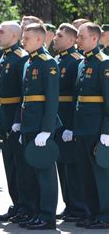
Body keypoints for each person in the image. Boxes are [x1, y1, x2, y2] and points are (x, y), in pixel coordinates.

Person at [19, 24, 60, 230]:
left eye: (26, 38)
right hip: (29, 125)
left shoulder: (48, 62)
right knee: (31, 173)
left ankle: (47, 216)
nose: (22, 41)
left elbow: (52, 100)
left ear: (39, 40)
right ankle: (35, 213)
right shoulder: (29, 62)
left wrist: (47, 129)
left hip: (40, 126)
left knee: (45, 174)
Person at [0, 21, 31, 223]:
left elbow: (23, 94)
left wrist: (18, 120)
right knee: (10, 166)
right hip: (4, 118)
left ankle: (26, 206)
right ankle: (17, 204)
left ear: (15, 36)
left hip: (15, 119)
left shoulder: (20, 58)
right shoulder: (5, 56)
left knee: (21, 167)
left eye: (1, 31)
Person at [73, 23, 109, 229]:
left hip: (97, 128)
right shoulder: (82, 62)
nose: (78, 40)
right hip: (82, 127)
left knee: (101, 174)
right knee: (85, 174)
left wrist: (106, 130)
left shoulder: (104, 63)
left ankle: (105, 215)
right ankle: (92, 212)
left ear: (95, 39)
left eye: (81, 37)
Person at [52, 24, 87, 222]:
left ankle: (79, 207)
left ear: (72, 40)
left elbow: (77, 96)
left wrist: (72, 126)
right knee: (62, 165)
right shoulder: (57, 60)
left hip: (68, 119)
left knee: (73, 167)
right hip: (57, 118)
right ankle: (69, 205)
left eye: (59, 35)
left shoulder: (76, 61)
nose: (55, 38)